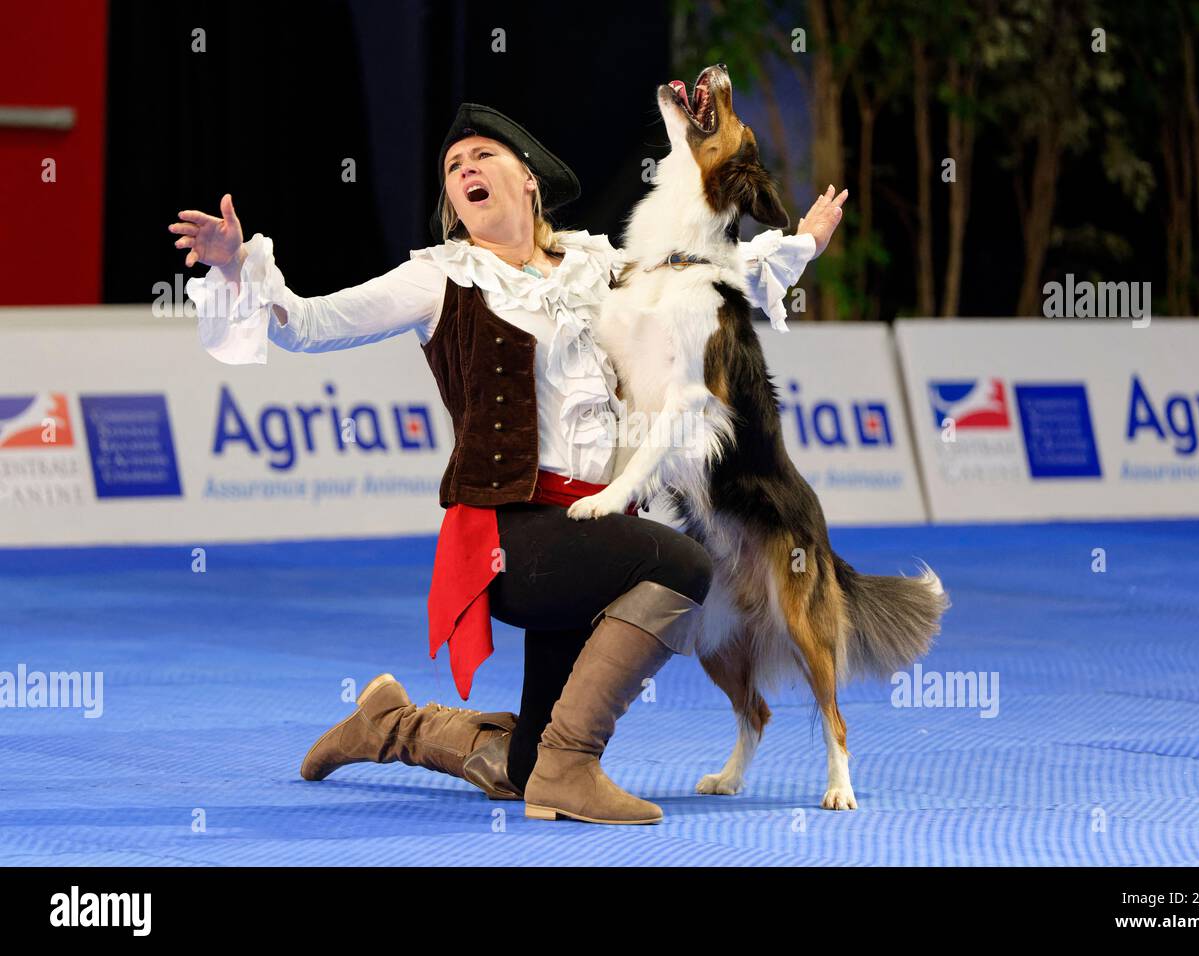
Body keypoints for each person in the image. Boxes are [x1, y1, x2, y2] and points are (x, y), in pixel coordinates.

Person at [172, 103, 847, 825]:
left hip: (591, 534)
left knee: (518, 767)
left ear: (527, 181)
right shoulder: (440, 279)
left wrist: (798, 244)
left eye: (480, 156)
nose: (464, 170)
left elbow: (694, 273)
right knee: (682, 564)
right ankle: (573, 767)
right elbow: (309, 324)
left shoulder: (595, 267)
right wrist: (237, 263)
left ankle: (390, 725)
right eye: (452, 167)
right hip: (512, 538)